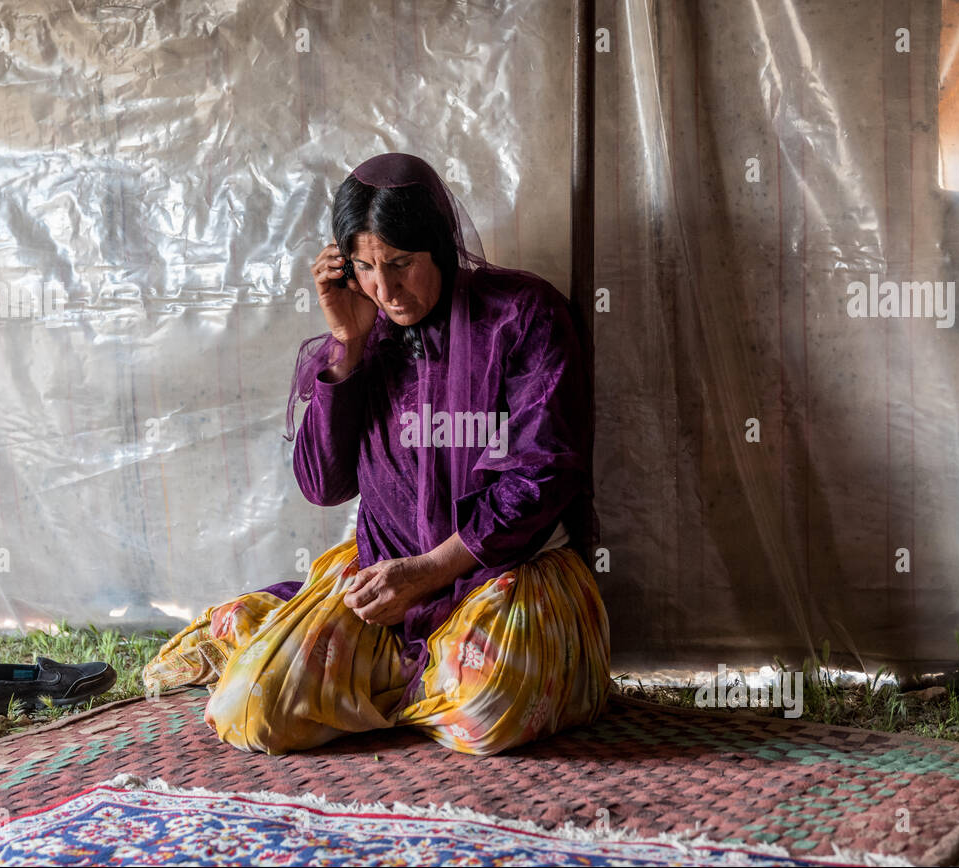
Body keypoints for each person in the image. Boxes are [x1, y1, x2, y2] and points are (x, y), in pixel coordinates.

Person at [142, 152, 611, 756]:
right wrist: (347, 345)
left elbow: (543, 473)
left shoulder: (521, 315)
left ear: (438, 247)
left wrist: (430, 572)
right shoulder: (369, 333)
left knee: (491, 707)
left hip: (504, 577)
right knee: (252, 709)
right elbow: (322, 483)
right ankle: (399, 686)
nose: (384, 289)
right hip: (383, 581)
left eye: (400, 263)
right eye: (363, 267)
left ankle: (376, 686)